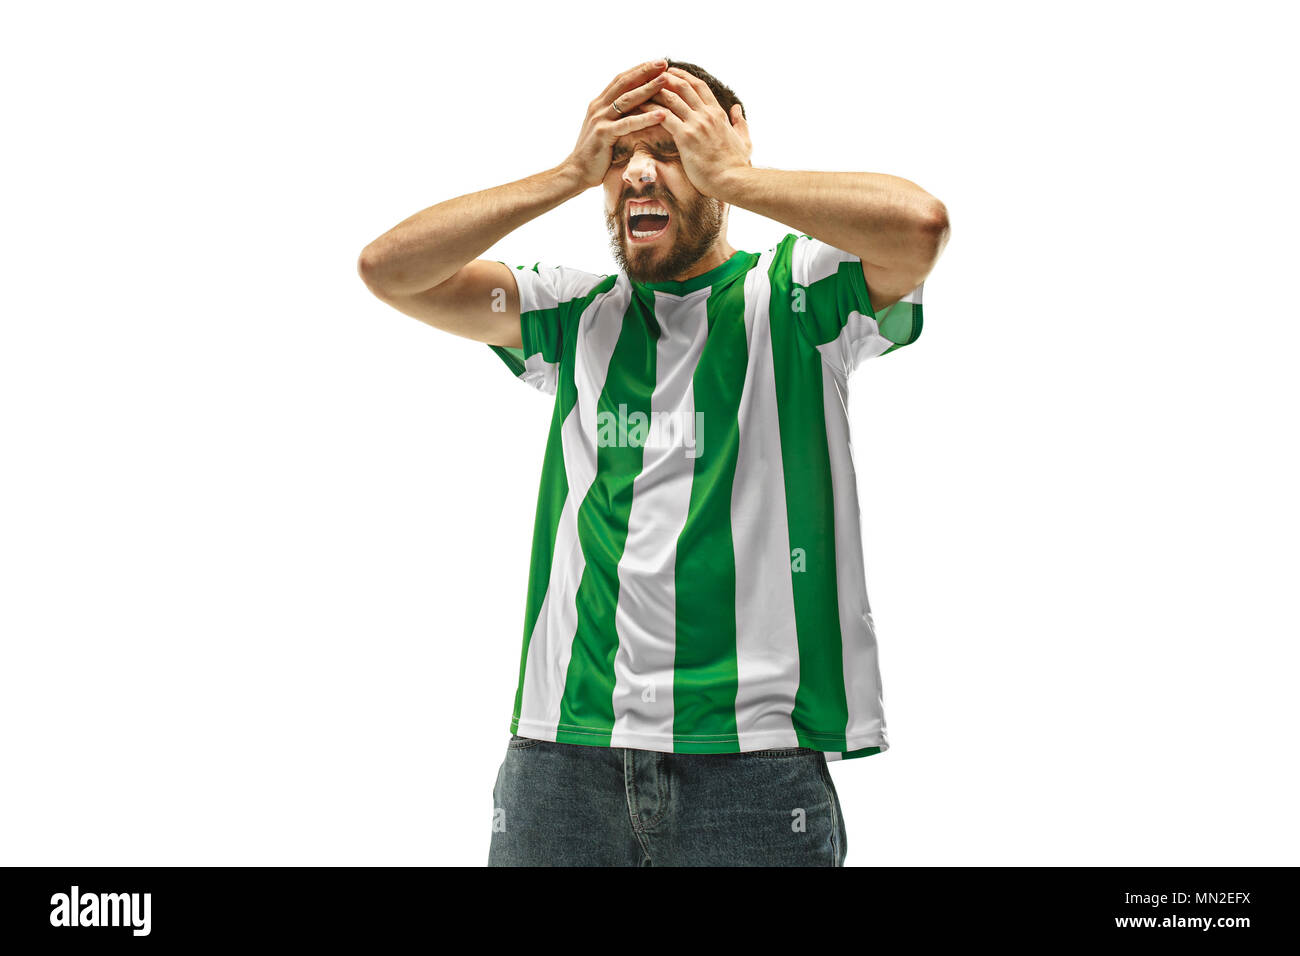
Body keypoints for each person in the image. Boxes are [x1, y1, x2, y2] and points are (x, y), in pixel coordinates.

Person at [358, 58, 950, 866]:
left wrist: (739, 177)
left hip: (751, 766)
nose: (638, 172)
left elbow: (919, 227)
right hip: (560, 761)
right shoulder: (574, 315)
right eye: (619, 154)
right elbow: (389, 269)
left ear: (725, 148)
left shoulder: (799, 297)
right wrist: (567, 172)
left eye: (669, 149)